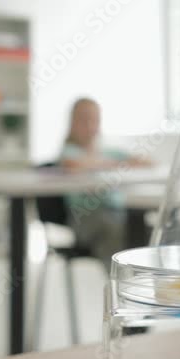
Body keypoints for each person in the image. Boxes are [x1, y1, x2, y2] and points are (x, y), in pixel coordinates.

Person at [59, 97, 149, 271]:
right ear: (72, 123)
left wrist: (126, 161)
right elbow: (73, 164)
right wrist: (114, 164)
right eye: (83, 120)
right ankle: (118, 279)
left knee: (139, 226)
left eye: (94, 120)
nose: (89, 125)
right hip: (85, 217)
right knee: (114, 229)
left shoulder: (108, 151)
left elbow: (144, 161)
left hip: (116, 212)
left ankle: (141, 277)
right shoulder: (69, 152)